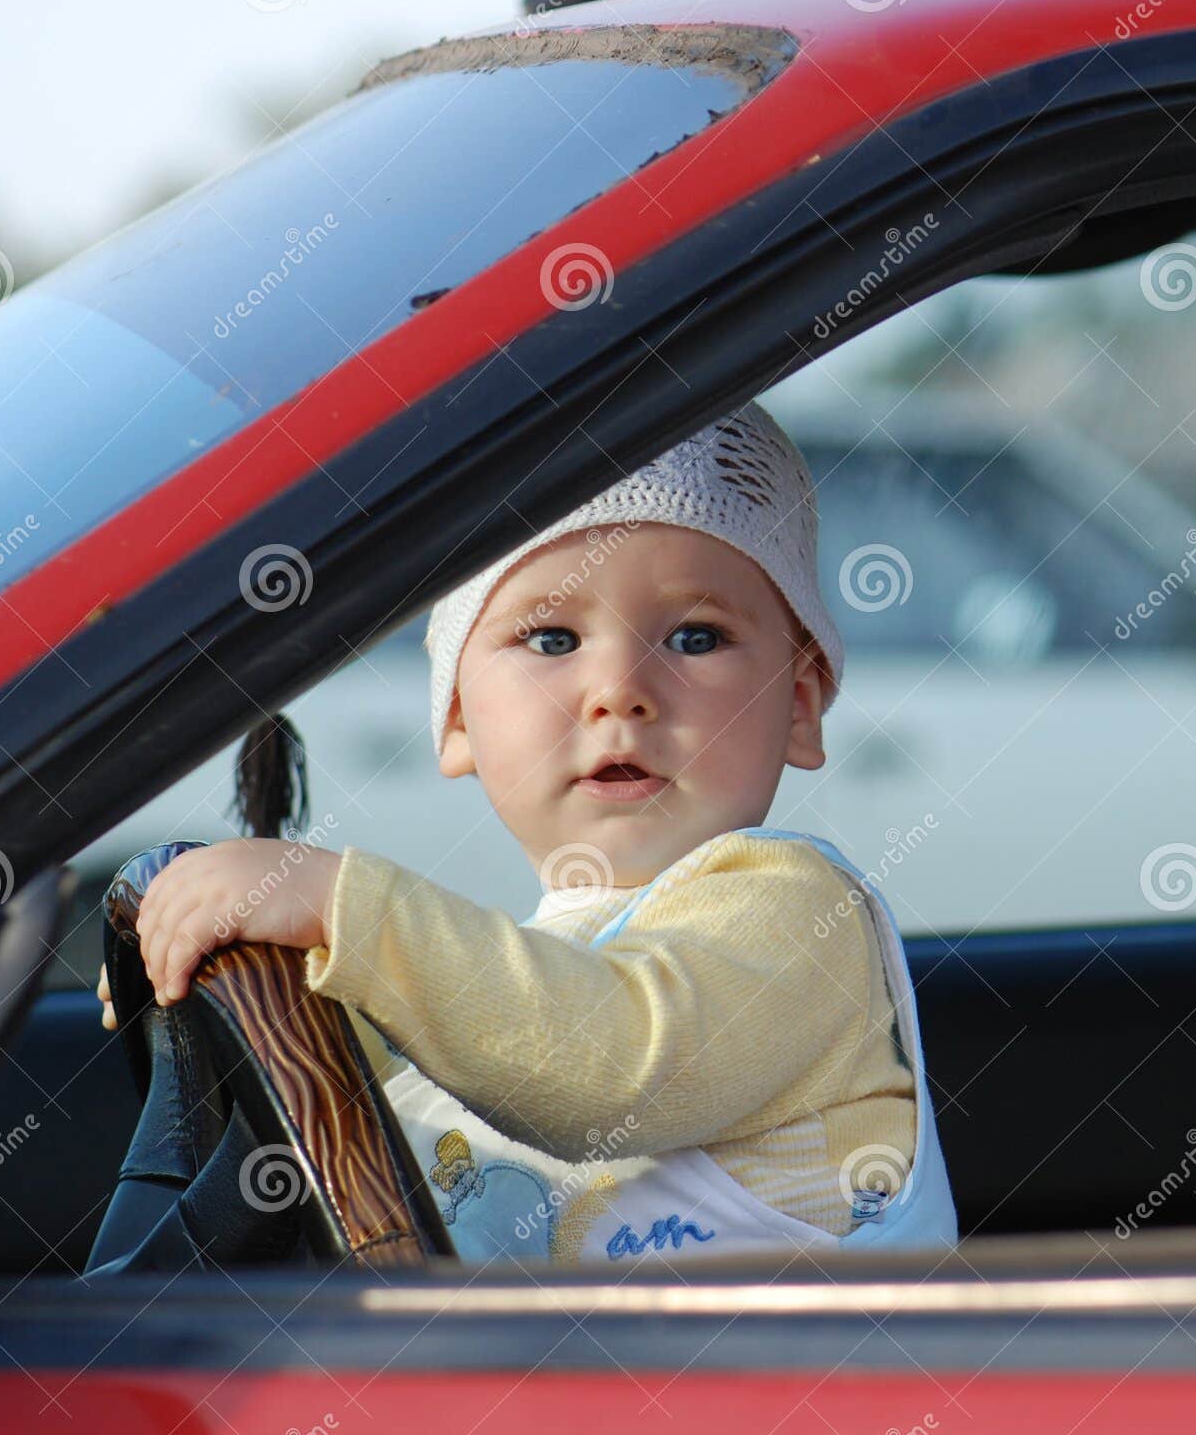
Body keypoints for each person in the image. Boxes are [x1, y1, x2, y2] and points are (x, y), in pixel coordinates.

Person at [101, 401, 958, 1265]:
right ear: (460, 717)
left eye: (696, 637)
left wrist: (337, 907)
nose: (620, 690)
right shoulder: (510, 989)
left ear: (801, 707)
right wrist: (231, 984)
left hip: (783, 1400)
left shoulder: (798, 915)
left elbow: (611, 1066)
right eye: (551, 638)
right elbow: (486, 1028)